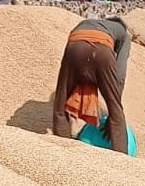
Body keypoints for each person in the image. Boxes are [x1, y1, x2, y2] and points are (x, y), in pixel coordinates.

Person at [52, 17, 132, 154]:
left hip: (74, 47)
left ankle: (62, 150)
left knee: (60, 107)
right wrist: (113, 110)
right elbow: (120, 74)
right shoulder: (123, 33)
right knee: (116, 112)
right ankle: (121, 159)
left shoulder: (87, 23)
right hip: (102, 51)